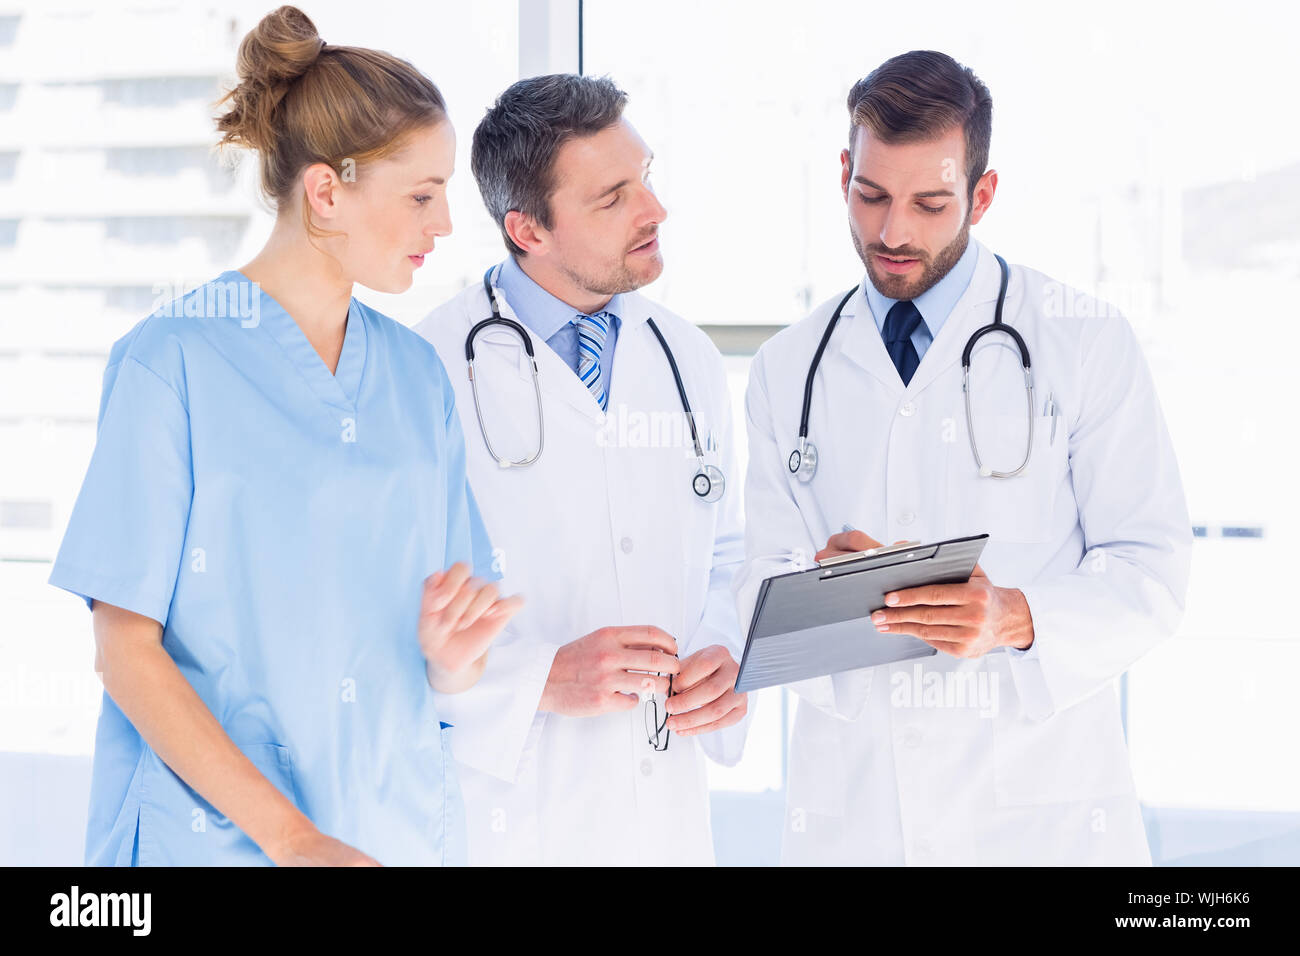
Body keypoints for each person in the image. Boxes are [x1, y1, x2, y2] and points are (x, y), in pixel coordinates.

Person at [48, 5, 520, 866]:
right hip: (224, 843)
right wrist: (292, 839)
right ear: (327, 189)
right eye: (421, 195)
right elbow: (124, 651)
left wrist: (452, 661)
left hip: (389, 832)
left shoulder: (417, 380)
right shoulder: (172, 361)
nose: (445, 225)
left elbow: (449, 662)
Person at [734, 50, 1191, 865]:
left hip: (1037, 815)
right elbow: (754, 592)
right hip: (856, 817)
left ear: (982, 194)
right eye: (870, 194)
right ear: (843, 172)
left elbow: (1151, 569)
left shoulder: (1081, 339)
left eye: (931, 203)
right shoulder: (786, 370)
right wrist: (821, 594)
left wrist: (1016, 616)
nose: (892, 232)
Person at [414, 74, 748, 865]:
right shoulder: (425, 369)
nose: (654, 210)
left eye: (647, 177)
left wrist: (726, 655)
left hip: (665, 816)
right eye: (613, 198)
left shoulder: (687, 358)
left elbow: (724, 553)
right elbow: (380, 616)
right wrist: (541, 678)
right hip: (511, 819)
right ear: (528, 228)